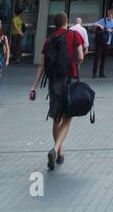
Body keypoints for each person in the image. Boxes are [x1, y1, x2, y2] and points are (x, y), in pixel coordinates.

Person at [30, 12, 84, 170]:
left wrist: (33, 86)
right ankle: (55, 149)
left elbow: (42, 65)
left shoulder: (49, 39)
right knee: (68, 117)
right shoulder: (74, 36)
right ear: (67, 22)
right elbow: (80, 56)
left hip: (54, 81)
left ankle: (59, 152)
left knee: (56, 117)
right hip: (70, 79)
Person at [92, 7, 113, 78]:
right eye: (108, 16)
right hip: (99, 41)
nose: (109, 17)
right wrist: (100, 25)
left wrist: (111, 31)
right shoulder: (103, 20)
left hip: (107, 42)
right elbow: (94, 24)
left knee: (103, 58)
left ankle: (101, 73)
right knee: (97, 57)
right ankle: (94, 73)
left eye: (111, 16)